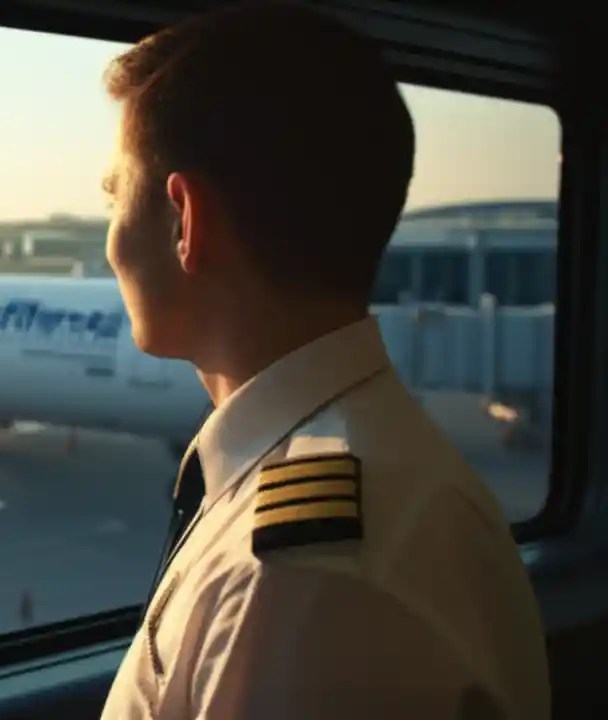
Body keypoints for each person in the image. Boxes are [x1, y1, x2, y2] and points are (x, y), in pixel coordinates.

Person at [96, 3, 550, 718]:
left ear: (186, 221)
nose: (111, 243)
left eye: (115, 198)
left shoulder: (297, 581)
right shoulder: (366, 476)